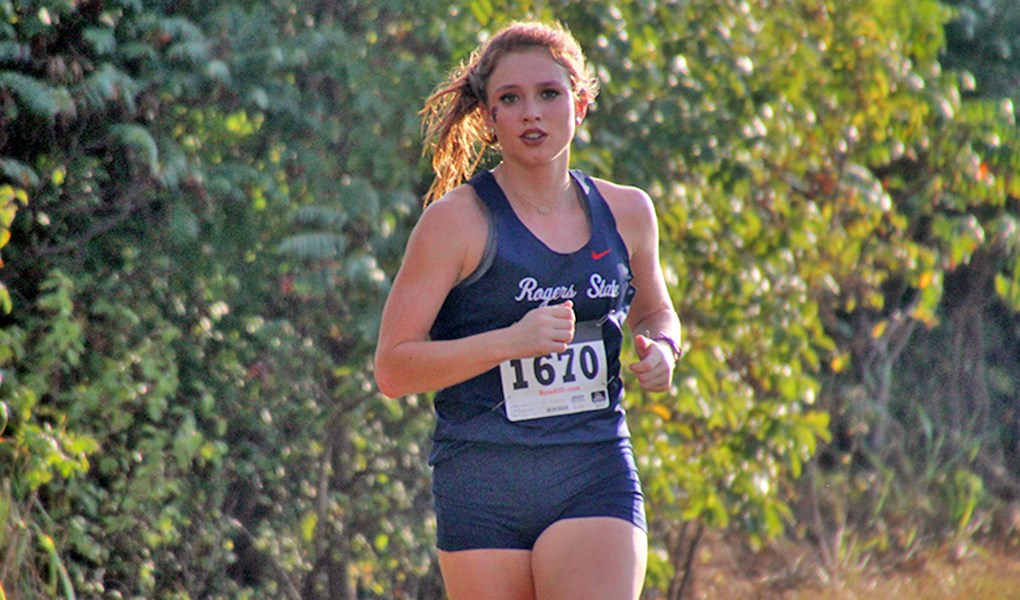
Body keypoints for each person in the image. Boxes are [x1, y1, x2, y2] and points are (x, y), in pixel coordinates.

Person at [374, 20, 681, 600]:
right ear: (489, 120)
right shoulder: (455, 223)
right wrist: (510, 341)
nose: (530, 113)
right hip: (482, 480)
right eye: (509, 100)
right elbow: (393, 369)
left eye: (549, 94)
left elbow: (655, 312)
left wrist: (663, 347)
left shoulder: (629, 212)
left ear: (581, 104)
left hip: (590, 468)